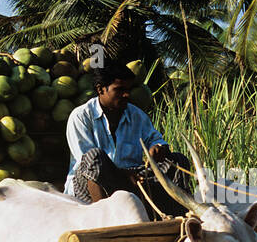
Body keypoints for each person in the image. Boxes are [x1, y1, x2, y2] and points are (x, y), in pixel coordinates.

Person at [65, 64, 192, 217]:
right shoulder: (81, 116)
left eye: (128, 90)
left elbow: (156, 140)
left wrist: (158, 148)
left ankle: (179, 218)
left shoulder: (136, 115)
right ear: (101, 90)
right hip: (95, 183)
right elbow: (85, 162)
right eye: (119, 90)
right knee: (94, 157)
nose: (126, 95)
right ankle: (103, 219)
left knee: (178, 160)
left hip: (134, 179)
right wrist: (123, 175)